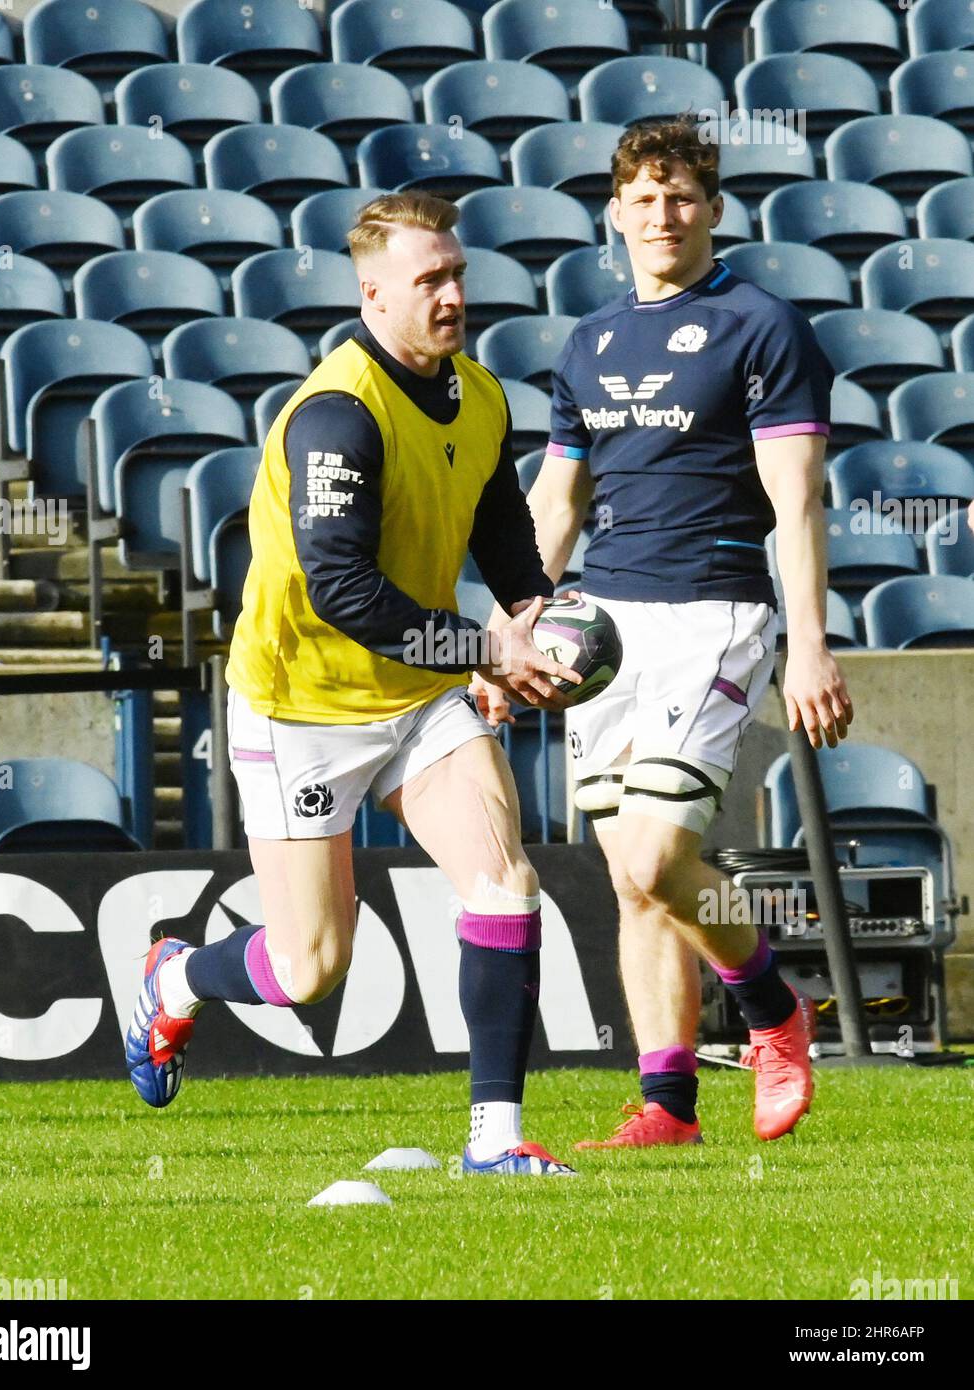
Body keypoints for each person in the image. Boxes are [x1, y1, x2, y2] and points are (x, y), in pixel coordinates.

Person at [125, 191, 583, 1176]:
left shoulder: (482, 392)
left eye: (458, 272)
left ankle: (495, 1144)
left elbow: (500, 527)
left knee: (506, 885)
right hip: (305, 704)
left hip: (417, 693)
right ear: (372, 292)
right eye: (432, 279)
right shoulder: (339, 414)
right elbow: (341, 592)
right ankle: (177, 978)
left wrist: (530, 612)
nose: (455, 293)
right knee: (309, 971)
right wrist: (482, 653)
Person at [474, 115, 854, 1146]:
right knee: (628, 878)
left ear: (714, 210)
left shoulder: (762, 325)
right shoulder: (589, 342)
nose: (662, 213)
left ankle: (777, 1013)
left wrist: (809, 642)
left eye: (681, 195)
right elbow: (553, 508)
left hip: (715, 614)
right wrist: (514, 637)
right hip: (601, 627)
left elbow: (797, 499)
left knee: (654, 858)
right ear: (615, 213)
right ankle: (669, 1104)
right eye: (643, 197)